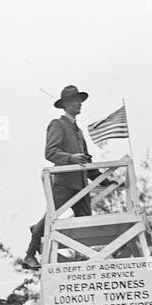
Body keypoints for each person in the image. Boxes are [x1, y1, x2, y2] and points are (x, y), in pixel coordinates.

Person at [22, 85, 106, 268]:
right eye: (74, 100)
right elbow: (50, 152)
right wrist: (70, 158)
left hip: (82, 185)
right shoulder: (57, 124)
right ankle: (29, 255)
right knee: (50, 219)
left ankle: (84, 264)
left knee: (85, 225)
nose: (79, 103)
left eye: (80, 100)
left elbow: (86, 160)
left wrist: (104, 179)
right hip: (65, 184)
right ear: (65, 105)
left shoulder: (78, 130)